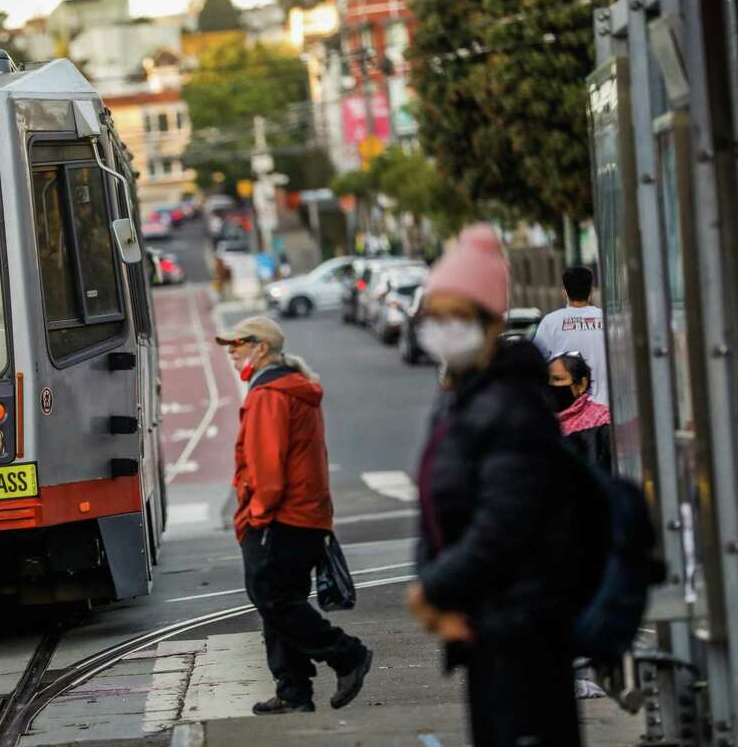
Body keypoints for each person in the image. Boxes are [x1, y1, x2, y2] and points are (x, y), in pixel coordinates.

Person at [406, 224, 584, 746]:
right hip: (484, 622)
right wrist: (439, 592)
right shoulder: (464, 394)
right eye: (432, 316)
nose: (440, 329)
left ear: (492, 322)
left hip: (523, 626)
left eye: (454, 317)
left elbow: (505, 521)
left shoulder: (513, 403)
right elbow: (437, 504)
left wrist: (433, 588)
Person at [216, 315, 372, 715]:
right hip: (304, 515)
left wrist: (257, 514)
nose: (231, 351)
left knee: (272, 596)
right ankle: (293, 691)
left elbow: (267, 466)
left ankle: (346, 655)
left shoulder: (270, 394)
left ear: (261, 348)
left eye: (238, 343)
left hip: (281, 516)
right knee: (279, 599)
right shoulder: (288, 387)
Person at [533, 266, 609, 406]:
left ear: (564, 292)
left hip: (569, 411)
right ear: (591, 290)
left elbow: (536, 365)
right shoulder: (607, 319)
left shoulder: (550, 323)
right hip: (606, 409)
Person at [549, 352, 613, 474]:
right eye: (548, 380)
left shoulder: (602, 418)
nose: (551, 386)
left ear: (581, 385)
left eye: (558, 379)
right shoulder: (541, 419)